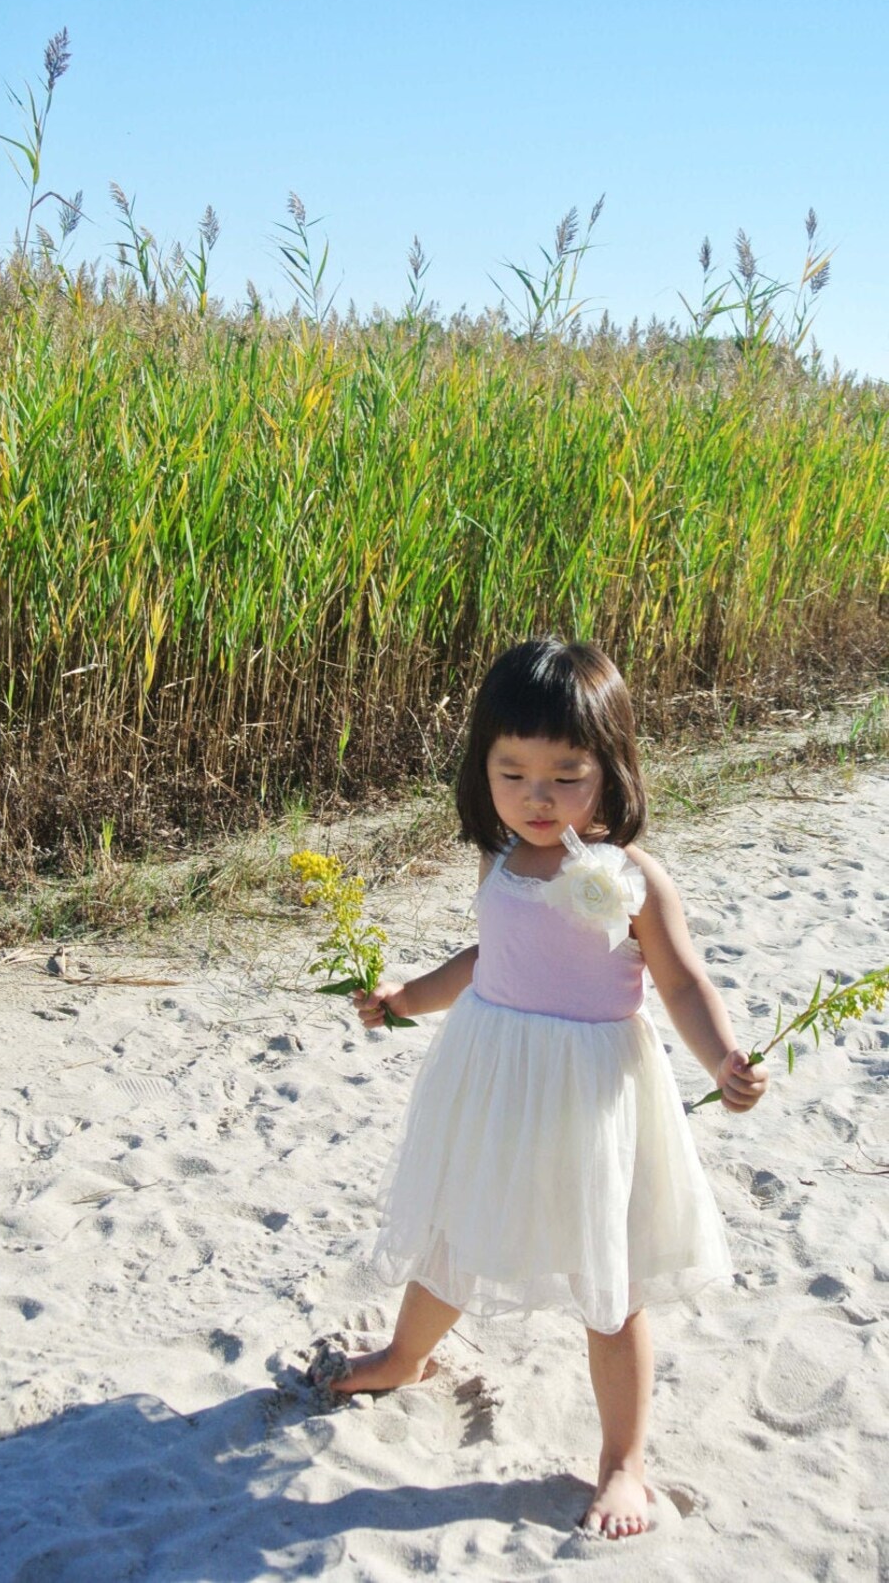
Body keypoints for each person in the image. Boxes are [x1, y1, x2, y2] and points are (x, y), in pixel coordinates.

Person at [329, 638, 768, 1540]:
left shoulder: (631, 877)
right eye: (514, 774)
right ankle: (408, 1356)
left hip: (591, 1099)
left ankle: (624, 1463)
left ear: (612, 771)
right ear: (482, 771)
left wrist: (723, 1060)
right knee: (457, 1228)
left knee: (610, 1281)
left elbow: (682, 982)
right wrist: (407, 997)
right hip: (495, 1078)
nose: (538, 797)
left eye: (566, 777)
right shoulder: (497, 859)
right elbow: (489, 957)